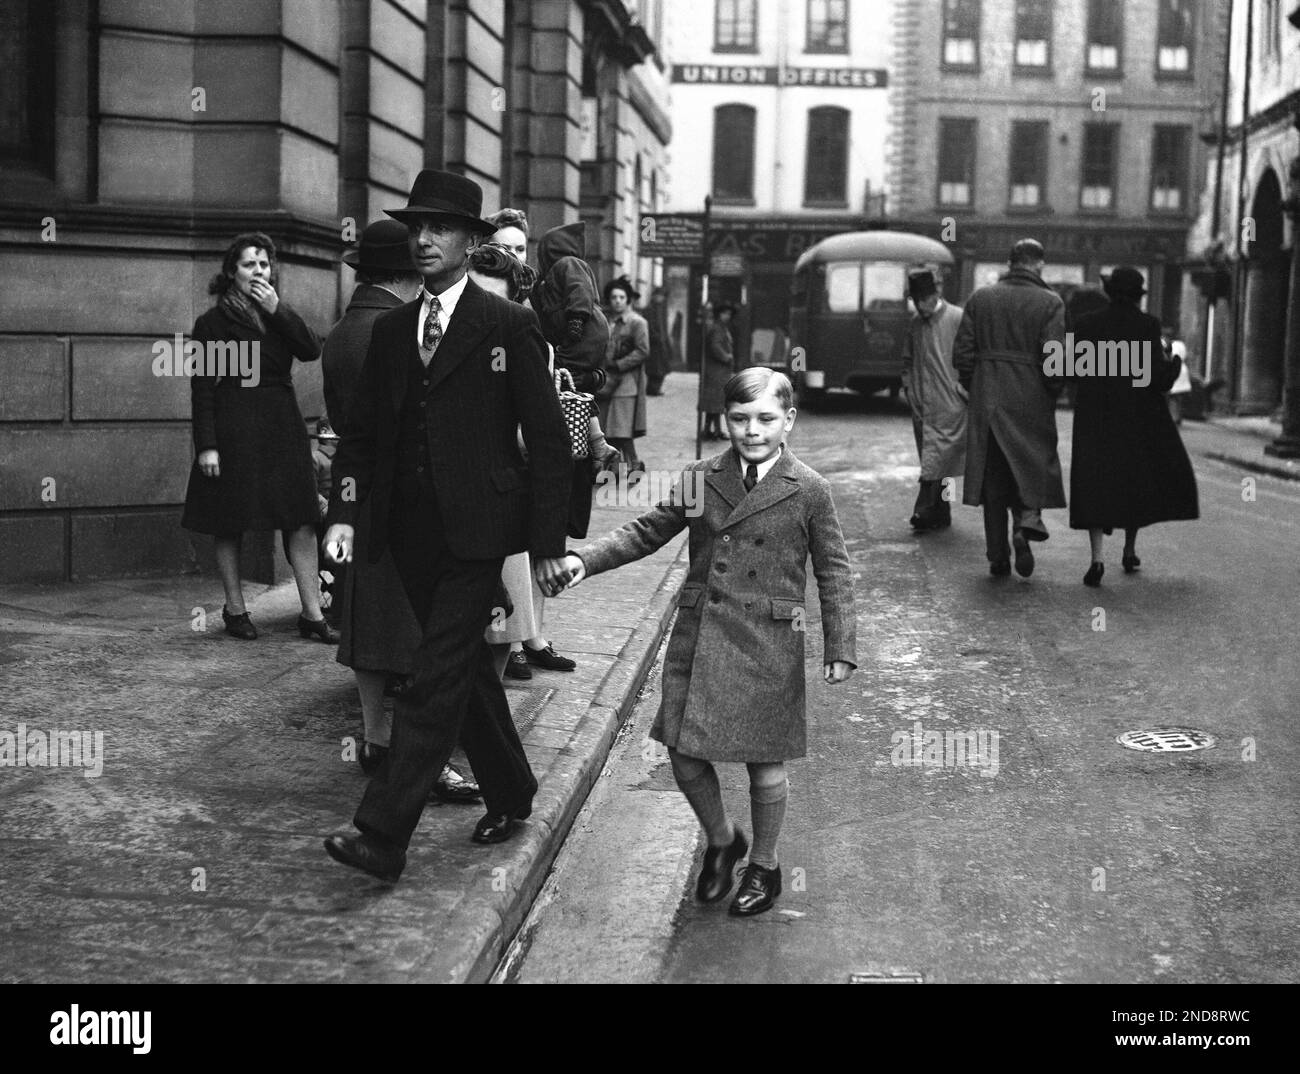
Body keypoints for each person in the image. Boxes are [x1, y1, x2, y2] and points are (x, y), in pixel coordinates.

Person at [320, 169, 572, 882]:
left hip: (480, 533)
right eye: (417, 228)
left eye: (441, 228)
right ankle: (513, 790)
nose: (424, 240)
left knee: (431, 676)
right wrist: (345, 515)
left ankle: (382, 833)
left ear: (469, 241)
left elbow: (548, 441)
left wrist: (547, 545)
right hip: (407, 534)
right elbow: (362, 438)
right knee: (460, 669)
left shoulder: (508, 325)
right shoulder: (392, 330)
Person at [538, 368, 857, 917]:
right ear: (725, 419)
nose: (752, 430)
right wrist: (582, 560)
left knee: (764, 763)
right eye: (739, 419)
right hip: (702, 634)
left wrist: (840, 646)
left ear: (788, 421)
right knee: (683, 754)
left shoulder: (809, 489)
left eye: (765, 419)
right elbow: (647, 530)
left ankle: (764, 865)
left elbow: (834, 570)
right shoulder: (701, 477)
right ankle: (721, 839)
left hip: (768, 643)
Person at [321, 218, 481, 803]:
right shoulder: (398, 329)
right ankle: (420, 758)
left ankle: (374, 739)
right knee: (417, 634)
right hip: (407, 502)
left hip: (360, 496)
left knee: (370, 625)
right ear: (405, 275)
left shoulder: (342, 331)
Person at [181, 231, 336, 643]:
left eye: (264, 264)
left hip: (282, 426)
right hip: (235, 428)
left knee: (301, 517)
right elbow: (203, 387)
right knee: (229, 520)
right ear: (231, 271)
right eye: (249, 264)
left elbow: (310, 349)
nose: (258, 271)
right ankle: (235, 609)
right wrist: (207, 446)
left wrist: (277, 309)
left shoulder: (277, 314)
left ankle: (312, 613)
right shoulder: (212, 323)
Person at [1069, 267, 1199, 586]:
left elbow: (1072, 369)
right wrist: (1174, 362)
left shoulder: (1086, 324)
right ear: (1138, 296)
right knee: (1133, 480)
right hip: (1136, 416)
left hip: (1095, 416)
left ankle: (1097, 559)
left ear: (1110, 292)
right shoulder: (1147, 325)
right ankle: (1129, 550)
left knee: (1095, 482)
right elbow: (1157, 378)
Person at [954, 238, 1067, 579]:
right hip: (1031, 397)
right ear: (1039, 265)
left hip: (988, 396)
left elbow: (962, 354)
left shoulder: (981, 298)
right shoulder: (1051, 302)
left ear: (1010, 263)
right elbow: (1054, 360)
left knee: (993, 481)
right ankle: (1025, 524)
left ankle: (997, 556)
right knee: (1030, 466)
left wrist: (978, 384)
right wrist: (1051, 392)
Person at [900, 269, 966, 531]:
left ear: (935, 295)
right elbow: (907, 360)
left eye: (922, 300)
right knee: (935, 461)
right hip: (921, 404)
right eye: (915, 301)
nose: (919, 306)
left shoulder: (957, 318)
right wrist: (909, 388)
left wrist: (963, 390)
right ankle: (943, 512)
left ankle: (924, 510)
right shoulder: (916, 323)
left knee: (937, 461)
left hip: (950, 404)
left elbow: (970, 356)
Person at [531, 221, 609, 395]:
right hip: (576, 335)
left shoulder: (568, 263)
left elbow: (579, 288)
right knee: (565, 367)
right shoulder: (543, 283)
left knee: (562, 364)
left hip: (587, 328)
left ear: (550, 251)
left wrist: (577, 317)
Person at [600, 276, 650, 478]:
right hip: (606, 381)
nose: (617, 301)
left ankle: (633, 463)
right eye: (614, 297)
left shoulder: (637, 322)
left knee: (621, 429)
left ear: (628, 299)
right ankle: (619, 467)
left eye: (621, 297)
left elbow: (642, 351)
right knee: (609, 428)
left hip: (627, 383)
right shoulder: (604, 321)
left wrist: (619, 364)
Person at [702, 302, 737, 439]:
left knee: (716, 402)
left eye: (729, 314)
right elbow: (715, 346)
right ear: (719, 314)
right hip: (716, 371)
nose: (727, 316)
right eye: (724, 313)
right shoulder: (717, 328)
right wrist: (726, 357)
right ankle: (710, 430)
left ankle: (714, 429)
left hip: (719, 370)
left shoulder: (721, 327)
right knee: (714, 401)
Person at [644, 287, 672, 396]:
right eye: (659, 296)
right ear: (654, 296)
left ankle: (656, 388)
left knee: (661, 368)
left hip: (662, 343)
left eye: (662, 296)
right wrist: (656, 337)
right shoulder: (649, 309)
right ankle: (652, 389)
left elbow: (664, 327)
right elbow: (649, 326)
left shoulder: (662, 308)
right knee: (655, 368)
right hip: (654, 344)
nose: (661, 298)